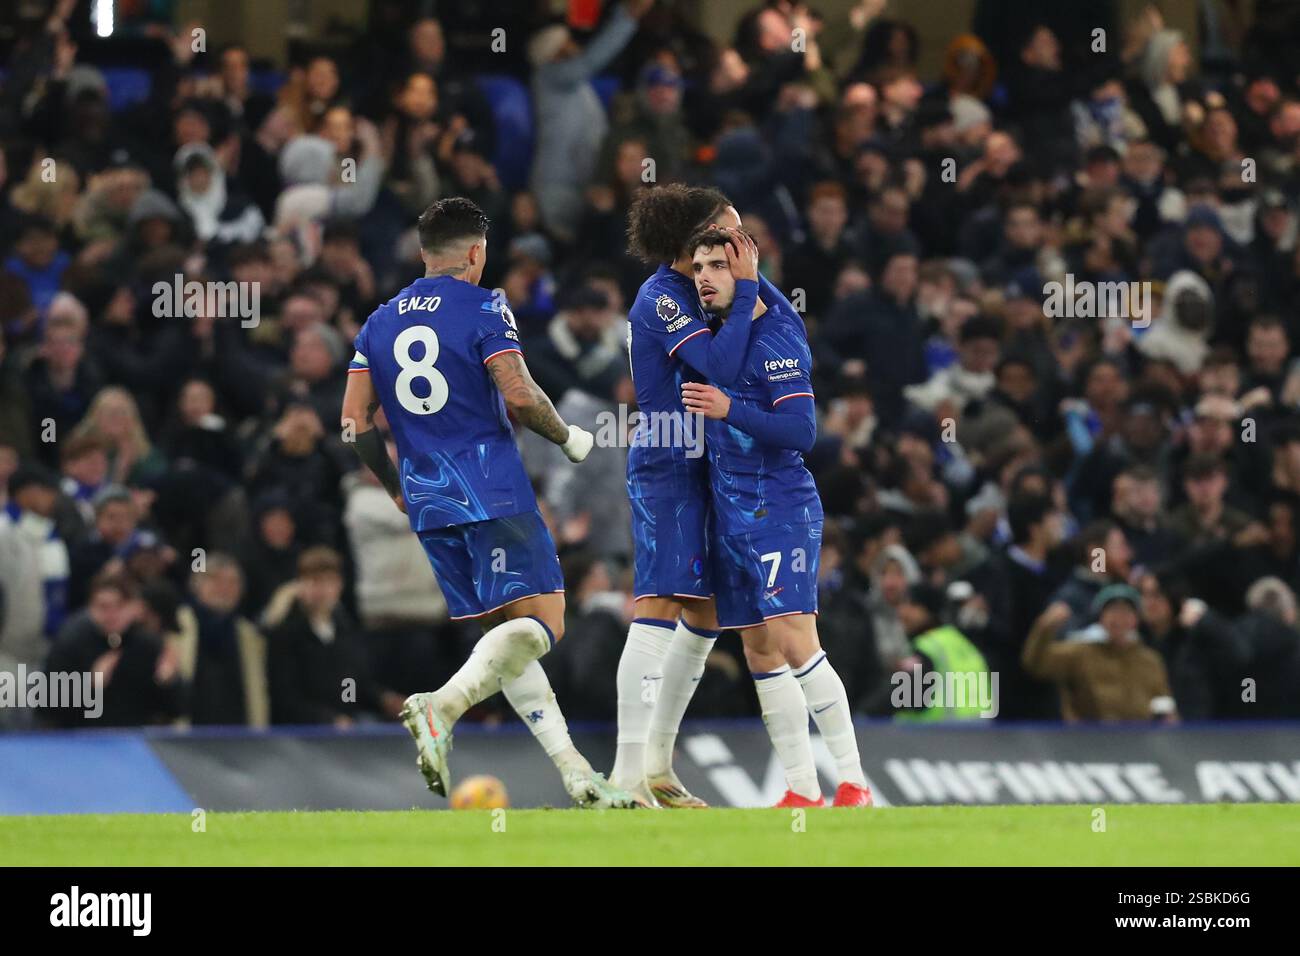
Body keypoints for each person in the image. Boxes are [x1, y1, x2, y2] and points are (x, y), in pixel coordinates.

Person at [340, 197, 633, 809]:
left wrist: (394, 486)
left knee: (509, 637)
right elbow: (522, 397)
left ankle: (576, 772)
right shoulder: (486, 306)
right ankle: (441, 706)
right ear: (476, 252)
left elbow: (354, 423)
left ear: (425, 254)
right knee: (545, 624)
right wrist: (571, 437)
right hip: (488, 485)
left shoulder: (378, 321)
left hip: (427, 497)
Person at [679, 227, 872, 808]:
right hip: (731, 511)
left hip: (779, 508)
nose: (706, 277)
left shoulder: (776, 338)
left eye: (718, 264)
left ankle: (856, 783)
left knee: (795, 639)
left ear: (743, 269)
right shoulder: (720, 335)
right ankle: (800, 789)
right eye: (699, 267)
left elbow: (803, 431)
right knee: (759, 649)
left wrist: (729, 407)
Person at [614, 184, 760, 806]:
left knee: (706, 614)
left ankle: (658, 765)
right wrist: (750, 290)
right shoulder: (662, 297)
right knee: (658, 603)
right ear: (691, 238)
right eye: (727, 223)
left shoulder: (703, 284)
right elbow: (719, 369)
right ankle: (625, 775)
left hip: (711, 459)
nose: (738, 232)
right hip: (669, 457)